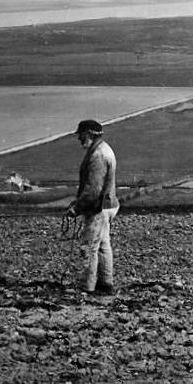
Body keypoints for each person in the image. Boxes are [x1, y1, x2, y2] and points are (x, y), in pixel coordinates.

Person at [67, 120, 119, 294]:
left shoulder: (97, 155)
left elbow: (93, 191)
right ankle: (106, 283)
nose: (79, 139)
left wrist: (76, 208)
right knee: (104, 245)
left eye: (81, 135)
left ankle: (87, 287)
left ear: (89, 134)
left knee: (89, 247)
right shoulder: (105, 149)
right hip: (108, 205)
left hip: (98, 207)